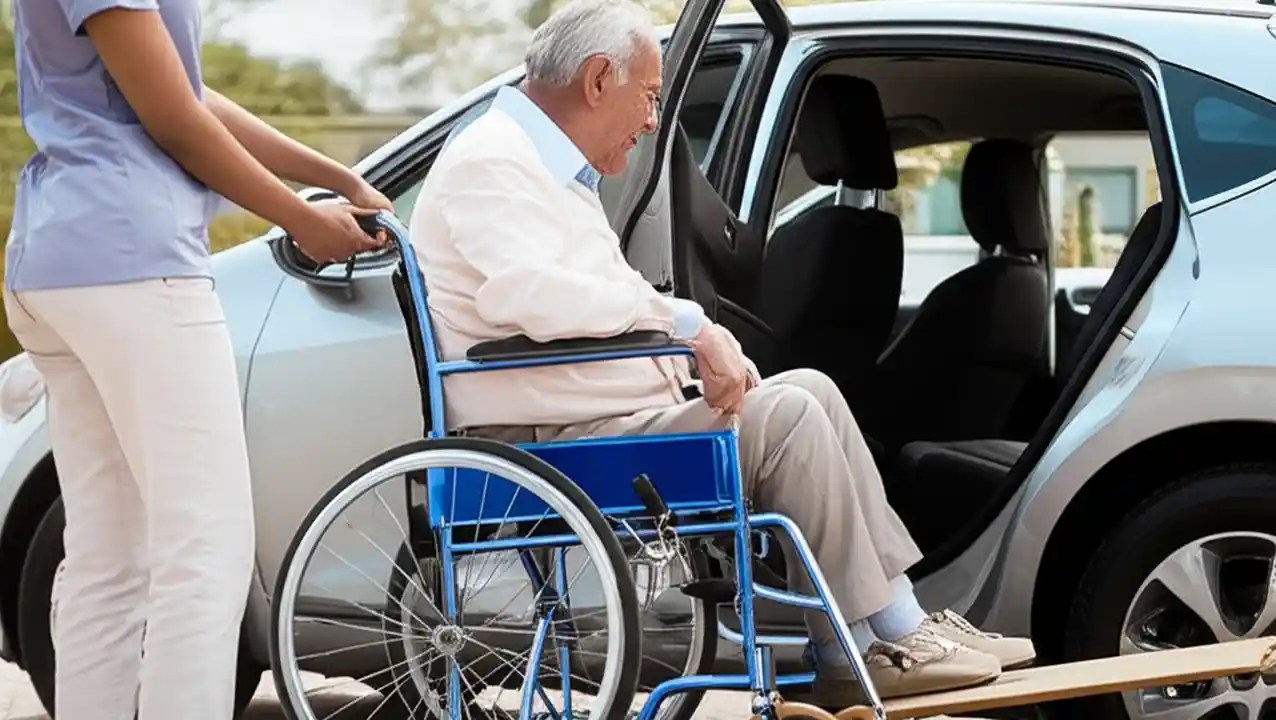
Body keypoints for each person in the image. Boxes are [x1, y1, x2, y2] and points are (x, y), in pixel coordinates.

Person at [410, 0, 1037, 709]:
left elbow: (589, 295)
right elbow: (533, 297)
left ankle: (897, 624)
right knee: (792, 414)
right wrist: (688, 325)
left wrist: (692, 347)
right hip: (551, 443)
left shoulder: (545, 170)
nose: (653, 120)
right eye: (649, 96)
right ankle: (861, 647)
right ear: (595, 82)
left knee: (812, 389)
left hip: (594, 419)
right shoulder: (492, 161)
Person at [4, 2, 389, 719]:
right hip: (131, 262)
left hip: (65, 262)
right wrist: (302, 219)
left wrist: (333, 177)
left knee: (107, 559)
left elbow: (178, 91)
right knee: (206, 554)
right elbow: (174, 117)